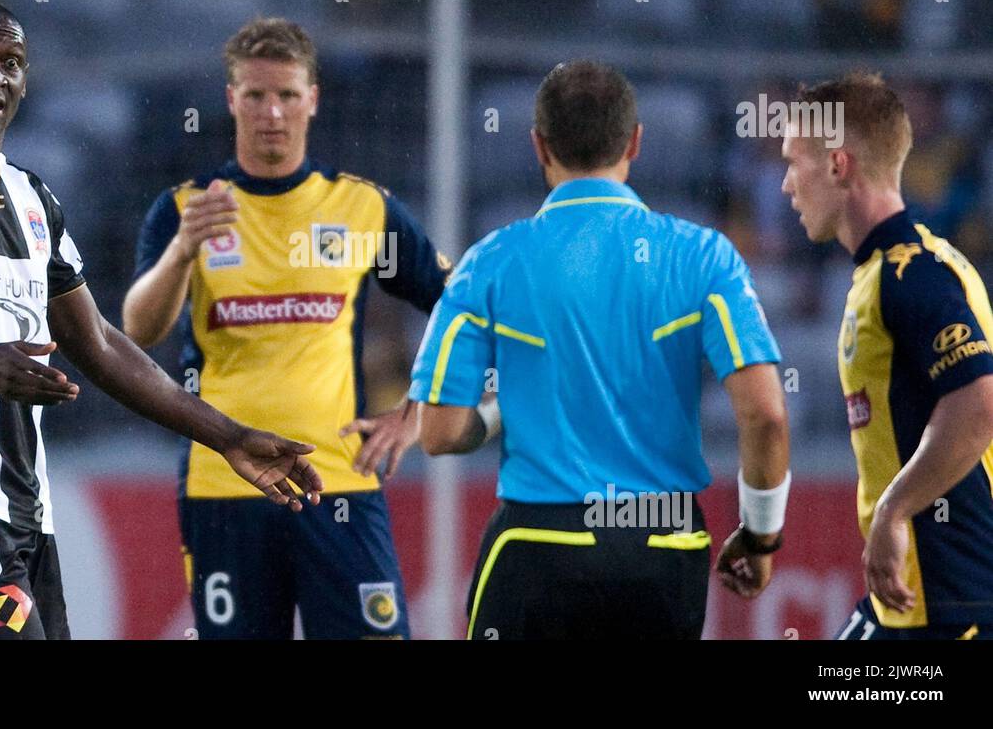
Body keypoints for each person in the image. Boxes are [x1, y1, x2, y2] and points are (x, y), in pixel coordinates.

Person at [0, 1, 321, 641]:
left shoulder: (36, 199)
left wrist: (225, 434)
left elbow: (95, 342)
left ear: (26, 82)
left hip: (24, 508)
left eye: (11, 62)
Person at [409, 60, 791, 640]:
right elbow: (765, 414)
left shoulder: (490, 260)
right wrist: (760, 535)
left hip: (537, 540)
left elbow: (438, 432)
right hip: (663, 539)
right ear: (635, 141)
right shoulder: (703, 255)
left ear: (539, 145)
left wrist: (505, 408)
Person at [122, 17, 450, 639]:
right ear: (231, 99)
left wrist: (418, 409)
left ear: (313, 99)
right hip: (225, 484)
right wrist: (181, 253)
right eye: (255, 95)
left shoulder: (362, 208)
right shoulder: (186, 209)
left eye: (287, 95)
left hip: (341, 485)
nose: (271, 112)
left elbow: (458, 305)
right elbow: (138, 329)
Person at [781, 72, 993, 640]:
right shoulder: (890, 271)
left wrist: (894, 511)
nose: (785, 185)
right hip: (909, 601)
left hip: (954, 605)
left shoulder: (912, 272)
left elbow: (978, 403)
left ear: (837, 165)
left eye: (795, 162)